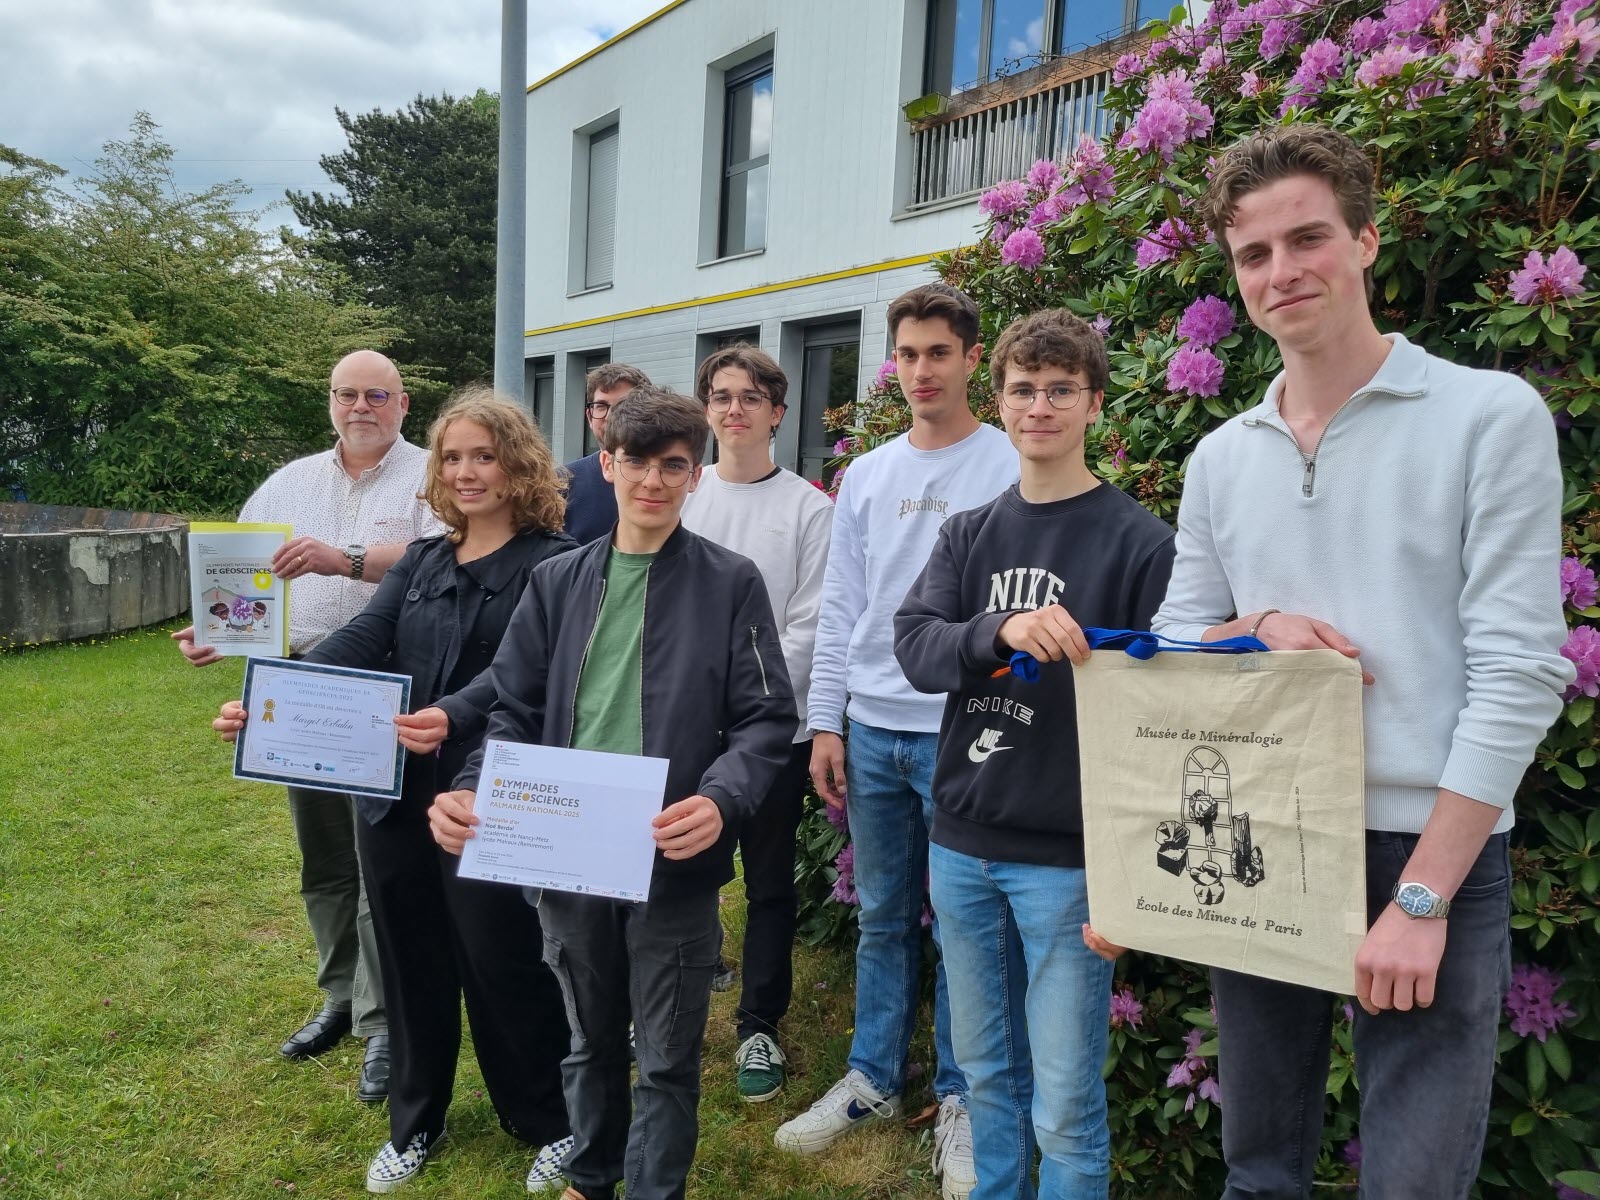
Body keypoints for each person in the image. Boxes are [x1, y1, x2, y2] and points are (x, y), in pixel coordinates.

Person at [1149, 123, 1574, 1199]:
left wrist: (1422, 897)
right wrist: (1255, 631)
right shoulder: (1218, 456)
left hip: (1431, 840)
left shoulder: (1488, 417)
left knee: (1413, 1183)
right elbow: (1171, 643)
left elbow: (1521, 671)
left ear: (1368, 241)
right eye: (1253, 254)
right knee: (1257, 1169)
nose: (1281, 272)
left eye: (1307, 238)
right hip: (1262, 825)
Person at [428, 386, 797, 1200]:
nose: (654, 483)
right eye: (638, 463)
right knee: (590, 1040)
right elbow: (513, 711)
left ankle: (654, 1189)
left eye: (674, 466)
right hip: (568, 851)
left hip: (670, 853)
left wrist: (722, 799)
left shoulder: (731, 583)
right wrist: (468, 788)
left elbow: (768, 720)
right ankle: (593, 1177)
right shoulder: (559, 582)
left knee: (665, 1055)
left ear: (695, 475)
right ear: (608, 462)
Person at [212, 388, 574, 1192]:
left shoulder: (555, 564)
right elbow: (360, 639)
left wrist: (450, 714)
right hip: (393, 785)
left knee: (501, 957)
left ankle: (547, 1117)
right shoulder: (422, 558)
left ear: (517, 465)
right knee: (408, 956)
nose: (467, 471)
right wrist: (269, 700)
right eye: (452, 457)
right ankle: (416, 1120)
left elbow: (525, 676)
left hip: (487, 789)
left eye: (485, 455)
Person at [894, 309, 1175, 1200]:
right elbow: (915, 643)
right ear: (1003, 402)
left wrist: (1133, 871)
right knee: (985, 1080)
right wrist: (999, 628)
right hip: (962, 843)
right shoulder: (971, 533)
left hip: (1069, 860)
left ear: (1096, 403)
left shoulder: (1141, 544)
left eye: (1061, 390)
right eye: (1023, 389)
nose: (1040, 405)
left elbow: (1167, 717)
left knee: (1064, 1101)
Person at [775, 283, 1018, 1200]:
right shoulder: (869, 474)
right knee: (882, 916)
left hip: (965, 729)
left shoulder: (1003, 466)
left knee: (965, 925)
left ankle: (960, 1098)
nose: (921, 371)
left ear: (970, 359)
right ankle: (873, 1078)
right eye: (907, 355)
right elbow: (841, 608)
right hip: (872, 730)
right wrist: (827, 722)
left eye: (939, 354)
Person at [174, 349, 446, 1099]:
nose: (360, 406)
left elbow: (445, 557)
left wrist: (343, 559)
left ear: (403, 401)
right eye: (346, 394)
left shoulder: (432, 476)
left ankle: (383, 1018)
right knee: (323, 855)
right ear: (330, 401)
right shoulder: (287, 482)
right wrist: (217, 630)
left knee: (379, 861)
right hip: (295, 684)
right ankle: (338, 994)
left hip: (388, 684)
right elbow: (237, 577)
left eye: (376, 395)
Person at [681, 343, 833, 1103]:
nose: (733, 409)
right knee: (677, 873)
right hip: (682, 727)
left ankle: (759, 1025)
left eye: (749, 397)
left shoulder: (809, 508)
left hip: (774, 731)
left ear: (777, 411)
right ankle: (666, 1007)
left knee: (770, 885)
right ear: (706, 408)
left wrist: (743, 699)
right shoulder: (681, 492)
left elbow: (806, 627)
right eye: (720, 396)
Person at [562, 363, 651, 543]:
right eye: (601, 406)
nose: (611, 416)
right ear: (589, 416)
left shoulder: (672, 480)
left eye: (622, 405)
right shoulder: (561, 484)